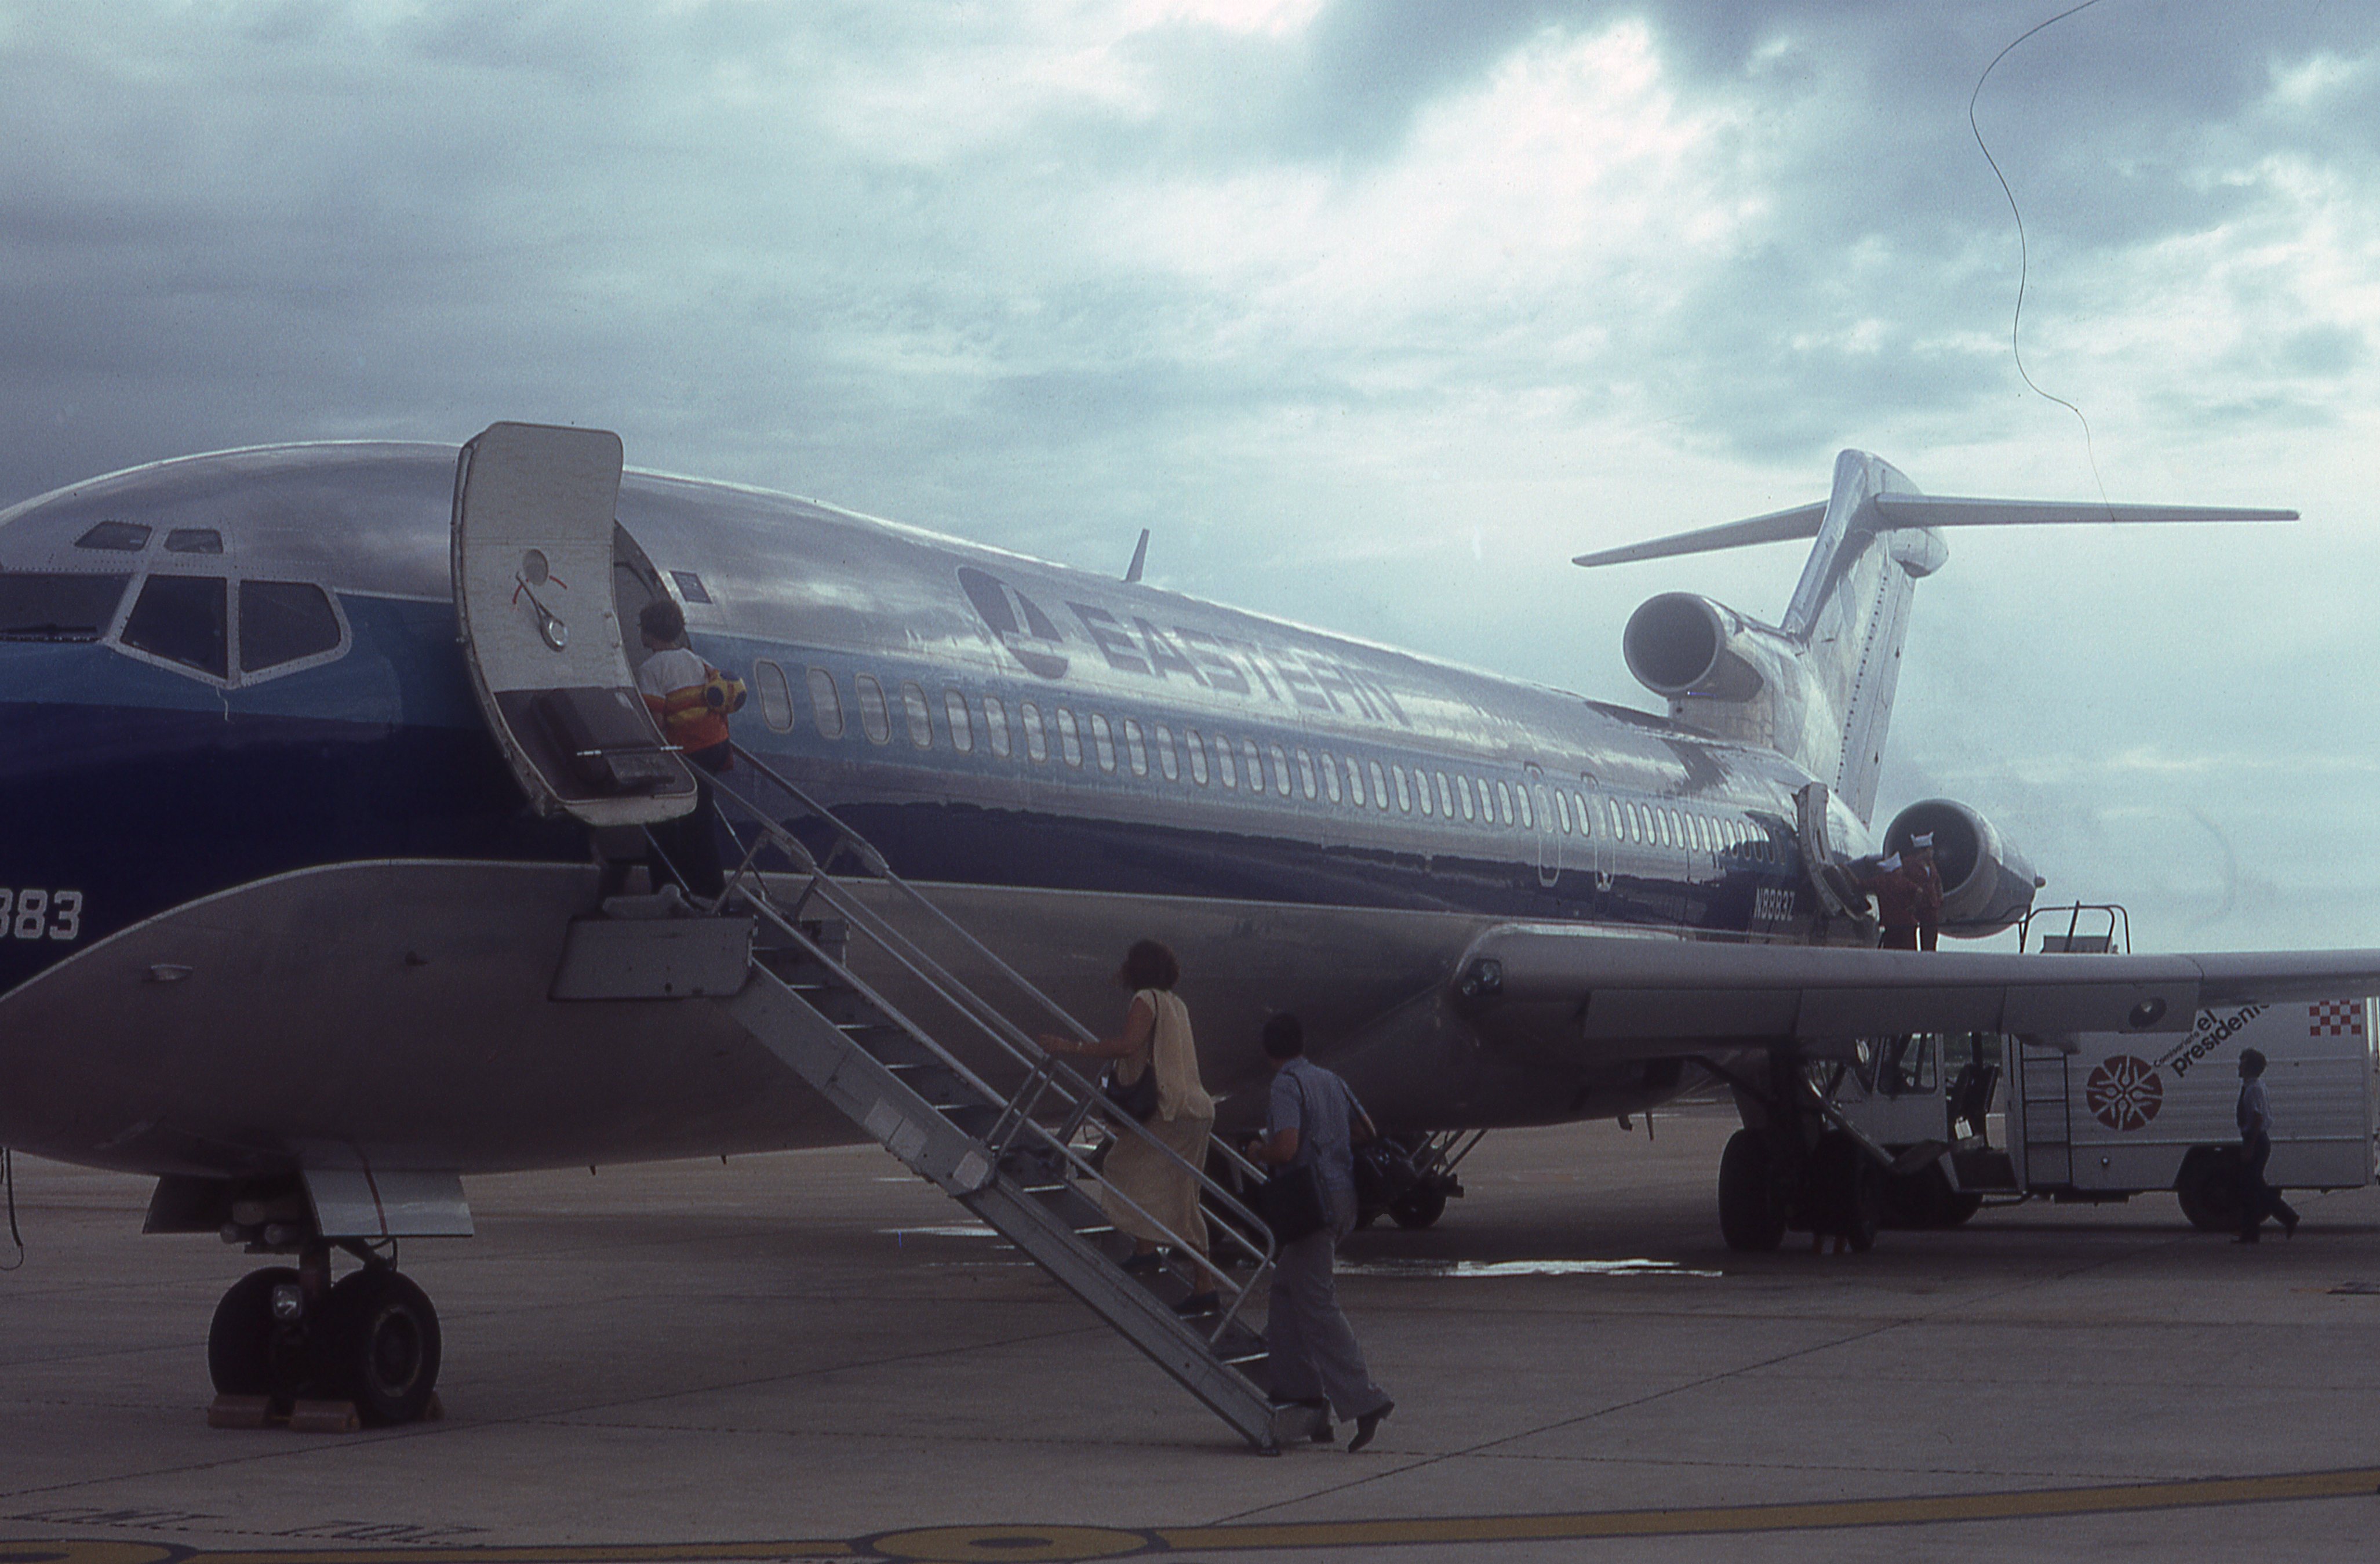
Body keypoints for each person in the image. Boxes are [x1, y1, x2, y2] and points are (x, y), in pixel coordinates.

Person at [1040, 940, 1219, 1315]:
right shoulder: (1176, 1003)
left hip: (1170, 1110)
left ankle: (1201, 1282)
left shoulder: (1146, 1000)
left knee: (1123, 1167)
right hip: (1195, 1107)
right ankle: (1147, 1250)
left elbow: (1127, 1046)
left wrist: (1071, 1047)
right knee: (1178, 1191)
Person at [1246, 1013, 1394, 1452]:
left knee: (1316, 1302)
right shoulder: (1329, 1078)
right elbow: (1366, 1129)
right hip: (1344, 1197)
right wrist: (1331, 1143)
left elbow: (1286, 1148)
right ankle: (1302, 1392)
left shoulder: (1285, 1086)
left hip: (1312, 1206)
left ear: (1268, 1050)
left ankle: (1365, 1399)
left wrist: (1258, 1150)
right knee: (1285, 1295)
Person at [634, 597, 737, 901]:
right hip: (716, 746)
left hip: (689, 749)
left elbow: (656, 718)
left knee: (667, 816)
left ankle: (675, 886)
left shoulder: (651, 668)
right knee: (701, 820)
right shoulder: (694, 660)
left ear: (649, 634)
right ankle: (708, 887)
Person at [2234, 1047, 2300, 1243]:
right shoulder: (2256, 1085)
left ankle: (2288, 1217)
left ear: (2250, 1067)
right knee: (2252, 1188)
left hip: (2256, 1139)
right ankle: (2251, 1233)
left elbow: (2257, 1118)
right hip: (2258, 1139)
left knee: (2252, 1187)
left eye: (2243, 1063)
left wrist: (2249, 1147)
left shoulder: (2254, 1088)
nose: (2239, 1066)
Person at [1859, 852, 1922, 951]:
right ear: (1896, 870)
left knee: (1891, 953)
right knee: (1909, 955)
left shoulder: (1880, 881)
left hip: (1890, 925)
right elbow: (1919, 891)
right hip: (1907, 925)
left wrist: (1847, 873)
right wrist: (1913, 906)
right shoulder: (1904, 882)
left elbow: (1861, 885)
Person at [1904, 834, 1945, 951]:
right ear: (1923, 851)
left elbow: (1937, 881)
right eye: (1930, 849)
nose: (1932, 852)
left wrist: (1939, 897)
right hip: (1915, 905)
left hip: (1930, 905)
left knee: (1930, 936)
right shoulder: (1908, 864)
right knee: (1909, 935)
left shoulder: (1931, 864)